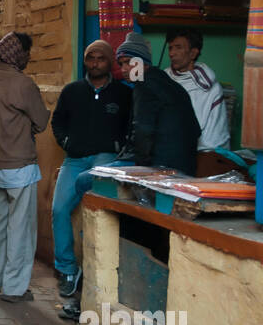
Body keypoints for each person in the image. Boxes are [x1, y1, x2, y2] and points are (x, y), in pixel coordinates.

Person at [51, 40, 132, 299]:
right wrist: (66, 142)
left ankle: (95, 270)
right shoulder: (72, 91)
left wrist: (119, 147)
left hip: (105, 160)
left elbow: (132, 127)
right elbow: (58, 121)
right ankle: (66, 269)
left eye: (101, 58)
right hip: (74, 160)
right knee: (59, 209)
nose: (95, 63)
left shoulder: (123, 94)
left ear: (110, 63)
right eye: (90, 58)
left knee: (98, 212)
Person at [0, 31, 49, 303]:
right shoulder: (24, 84)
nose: (29, 58)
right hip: (20, 169)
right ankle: (14, 288)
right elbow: (41, 123)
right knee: (21, 230)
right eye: (27, 53)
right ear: (19, 55)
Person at [115, 31, 199, 174]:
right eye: (121, 63)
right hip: (186, 167)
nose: (123, 69)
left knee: (85, 180)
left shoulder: (144, 85)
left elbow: (143, 130)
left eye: (129, 62)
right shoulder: (169, 83)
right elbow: (195, 129)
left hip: (162, 169)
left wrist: (139, 173)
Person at [165, 27, 232, 176]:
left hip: (207, 152)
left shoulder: (207, 87)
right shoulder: (165, 79)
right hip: (177, 150)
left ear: (193, 53)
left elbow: (192, 127)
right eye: (170, 48)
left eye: (178, 47)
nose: (172, 53)